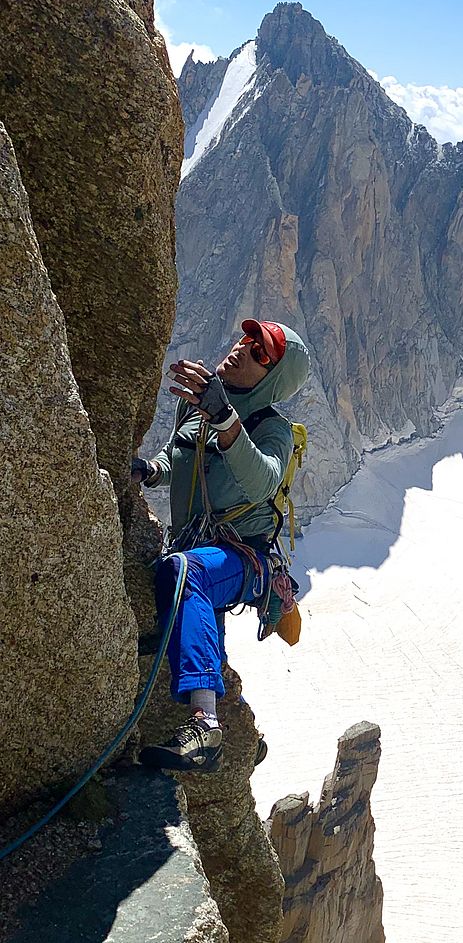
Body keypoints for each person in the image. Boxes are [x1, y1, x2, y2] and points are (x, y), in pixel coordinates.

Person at [132, 319, 310, 773]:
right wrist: (150, 471)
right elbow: (180, 457)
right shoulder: (199, 408)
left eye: (261, 353)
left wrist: (225, 418)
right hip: (204, 548)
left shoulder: (272, 429)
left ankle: (205, 726)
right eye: (247, 339)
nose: (244, 349)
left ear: (274, 378)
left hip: (244, 557)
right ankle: (242, 734)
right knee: (203, 623)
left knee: (185, 574)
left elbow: (262, 481)